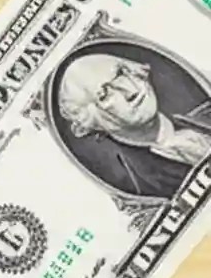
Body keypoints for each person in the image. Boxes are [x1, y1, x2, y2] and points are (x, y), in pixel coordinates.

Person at [58, 52, 211, 198]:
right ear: (90, 123)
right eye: (104, 94)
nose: (130, 91)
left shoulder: (205, 115)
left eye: (120, 74)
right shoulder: (143, 187)